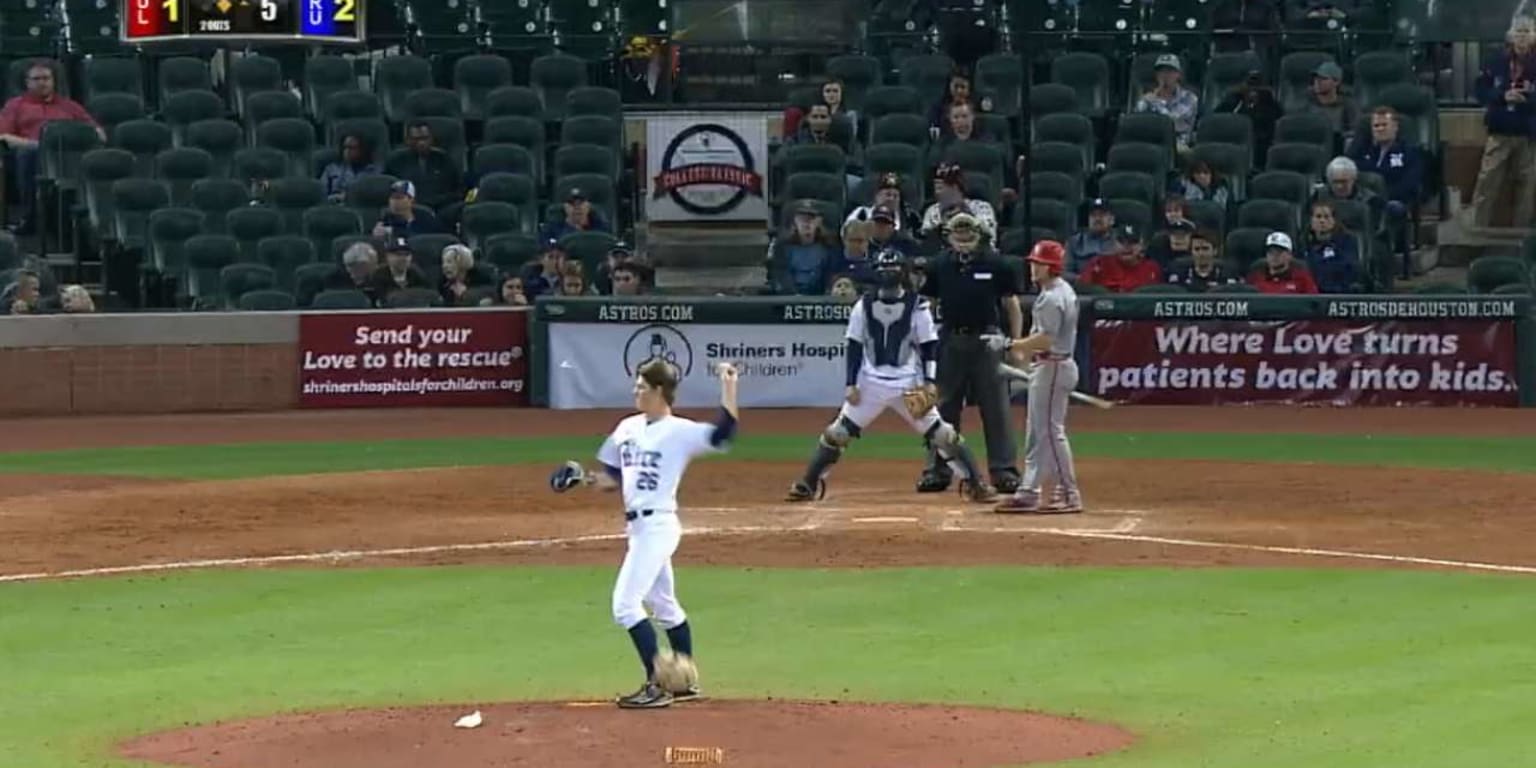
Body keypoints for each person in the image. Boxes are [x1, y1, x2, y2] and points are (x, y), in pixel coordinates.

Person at [547, 359, 740, 709]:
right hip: (638, 528)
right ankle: (684, 683)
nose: (635, 390)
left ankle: (657, 685)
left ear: (659, 391)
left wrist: (729, 386)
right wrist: (583, 480)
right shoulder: (627, 428)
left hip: (658, 526)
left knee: (624, 605)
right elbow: (613, 477)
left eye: (641, 386)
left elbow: (723, 434)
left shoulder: (680, 431)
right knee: (664, 605)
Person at [787, 248, 996, 503]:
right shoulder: (863, 305)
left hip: (908, 384)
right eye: (884, 269)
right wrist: (851, 383)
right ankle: (808, 483)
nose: (888, 274)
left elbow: (928, 346)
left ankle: (976, 482)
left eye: (893, 269)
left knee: (943, 435)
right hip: (870, 383)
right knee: (837, 433)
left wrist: (929, 381)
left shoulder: (917, 306)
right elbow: (854, 345)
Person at [915, 212, 1023, 494]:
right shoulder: (939, 265)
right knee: (943, 408)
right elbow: (927, 304)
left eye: (968, 234)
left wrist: (1015, 343)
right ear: (949, 236)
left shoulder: (996, 263)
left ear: (978, 234)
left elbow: (1011, 304)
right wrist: (923, 342)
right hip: (950, 338)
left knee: (996, 408)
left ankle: (1004, 470)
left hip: (987, 339)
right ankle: (938, 469)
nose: (963, 239)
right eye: (958, 234)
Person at [989, 240, 1082, 514]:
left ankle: (1069, 494)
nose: (1033, 267)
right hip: (1051, 365)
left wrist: (1010, 344)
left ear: (1052, 266)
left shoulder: (1051, 299)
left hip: (1053, 366)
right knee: (1037, 434)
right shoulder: (1060, 290)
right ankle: (1030, 491)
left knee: (1050, 434)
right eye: (1033, 263)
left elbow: (1044, 340)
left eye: (1039, 263)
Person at [0, 61, 104, 234]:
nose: (42, 83)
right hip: (32, 153)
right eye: (36, 79)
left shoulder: (69, 106)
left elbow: (98, 133)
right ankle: (32, 219)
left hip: (69, 155)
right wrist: (39, 146)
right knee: (29, 156)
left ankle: (88, 221)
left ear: (54, 81)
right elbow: (3, 136)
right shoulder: (15, 105)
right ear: (27, 82)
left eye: (46, 78)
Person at [1468, 16, 1536, 229]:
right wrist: (1502, 96)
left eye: (1526, 32)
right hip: (1499, 130)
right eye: (1518, 32)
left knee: (1527, 185)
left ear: (1534, 36)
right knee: (1487, 180)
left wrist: (1528, 98)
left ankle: (1521, 233)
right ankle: (1477, 228)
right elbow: (1480, 90)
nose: (1522, 36)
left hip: (1528, 133)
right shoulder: (1496, 60)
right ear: (1510, 36)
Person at [383, 121, 464, 216]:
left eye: (425, 138)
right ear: (407, 140)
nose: (421, 143)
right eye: (416, 139)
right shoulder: (396, 161)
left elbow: (457, 189)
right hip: (409, 210)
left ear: (432, 139)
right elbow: (390, 190)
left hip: (441, 209)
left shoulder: (444, 159)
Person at [1215, 71, 1285, 164]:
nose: (1253, 91)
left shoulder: (1272, 107)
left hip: (1260, 150)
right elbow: (1216, 119)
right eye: (1250, 86)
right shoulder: (1234, 102)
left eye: (1257, 87)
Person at [768, 201, 836, 295]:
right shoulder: (782, 247)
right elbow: (780, 274)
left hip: (820, 297)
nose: (806, 223)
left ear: (819, 222)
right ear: (794, 222)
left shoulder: (828, 247)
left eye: (811, 219)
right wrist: (794, 294)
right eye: (802, 219)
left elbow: (831, 275)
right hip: (789, 297)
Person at [1135, 54, 1200, 151]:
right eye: (1161, 71)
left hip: (1178, 145)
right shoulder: (1147, 99)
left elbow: (1171, 123)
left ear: (1178, 74)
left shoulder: (1189, 98)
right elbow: (1138, 123)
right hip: (1152, 144)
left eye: (1169, 71)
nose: (1165, 75)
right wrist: (1145, 101)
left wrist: (1155, 102)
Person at [919, 163, 998, 244]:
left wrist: (966, 214)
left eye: (940, 188)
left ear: (956, 187)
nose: (937, 193)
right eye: (936, 188)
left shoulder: (982, 207)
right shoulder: (932, 211)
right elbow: (926, 242)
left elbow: (990, 238)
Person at [1079, 224, 1164, 293]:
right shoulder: (1099, 264)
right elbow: (1082, 291)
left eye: (1133, 242)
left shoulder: (1152, 268)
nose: (1126, 247)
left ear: (1142, 246)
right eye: (1121, 242)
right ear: (1113, 243)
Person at [1302, 201, 1361, 293]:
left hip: (1338, 291)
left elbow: (1348, 266)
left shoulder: (1346, 241)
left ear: (1334, 221)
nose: (1322, 221)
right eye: (1318, 217)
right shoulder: (1303, 241)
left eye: (1326, 217)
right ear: (1311, 221)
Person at [1302, 62, 1359, 147]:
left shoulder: (1348, 105)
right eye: (1316, 78)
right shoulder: (1308, 103)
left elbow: (1354, 131)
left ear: (1336, 82)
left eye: (1323, 78)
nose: (1317, 82)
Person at [1166, 230, 1240, 291]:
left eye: (1205, 248)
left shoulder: (1227, 273)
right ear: (1191, 252)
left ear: (1215, 251)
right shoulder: (1180, 274)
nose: (1201, 253)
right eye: (1197, 249)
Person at [1248, 232, 1319, 293]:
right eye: (1271, 252)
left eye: (1279, 252)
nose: (1274, 256)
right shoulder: (1255, 277)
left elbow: (1314, 301)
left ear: (1289, 255)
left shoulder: (1302, 278)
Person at [847, 173, 921, 232]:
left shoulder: (910, 217)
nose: (891, 199)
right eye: (888, 195)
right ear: (876, 196)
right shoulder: (860, 214)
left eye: (895, 196)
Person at [319, 133, 382, 201]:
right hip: (334, 203)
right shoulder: (331, 169)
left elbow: (375, 195)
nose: (347, 151)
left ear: (362, 150)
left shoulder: (373, 171)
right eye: (345, 148)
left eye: (352, 148)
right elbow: (321, 193)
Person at [368, 236, 430, 305]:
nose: (403, 258)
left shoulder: (417, 274)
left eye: (407, 254)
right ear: (388, 256)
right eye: (398, 254)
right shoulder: (378, 276)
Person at [372, 180, 441, 239]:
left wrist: (394, 231)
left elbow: (433, 239)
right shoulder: (387, 218)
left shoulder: (425, 217)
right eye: (392, 198)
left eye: (399, 198)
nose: (394, 202)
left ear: (411, 199)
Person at [540, 186, 612, 243]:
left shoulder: (602, 229)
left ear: (588, 206)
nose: (577, 207)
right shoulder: (551, 230)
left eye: (581, 203)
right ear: (565, 207)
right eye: (572, 203)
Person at [1066, 198, 1117, 274]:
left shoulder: (1120, 242)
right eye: (1093, 215)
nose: (1097, 219)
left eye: (1102, 215)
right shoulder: (1075, 242)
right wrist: (1084, 279)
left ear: (1112, 220)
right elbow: (1066, 273)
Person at [827, 217, 876, 288]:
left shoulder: (875, 260)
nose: (855, 245)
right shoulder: (831, 260)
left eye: (860, 240)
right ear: (844, 240)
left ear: (867, 241)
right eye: (852, 240)